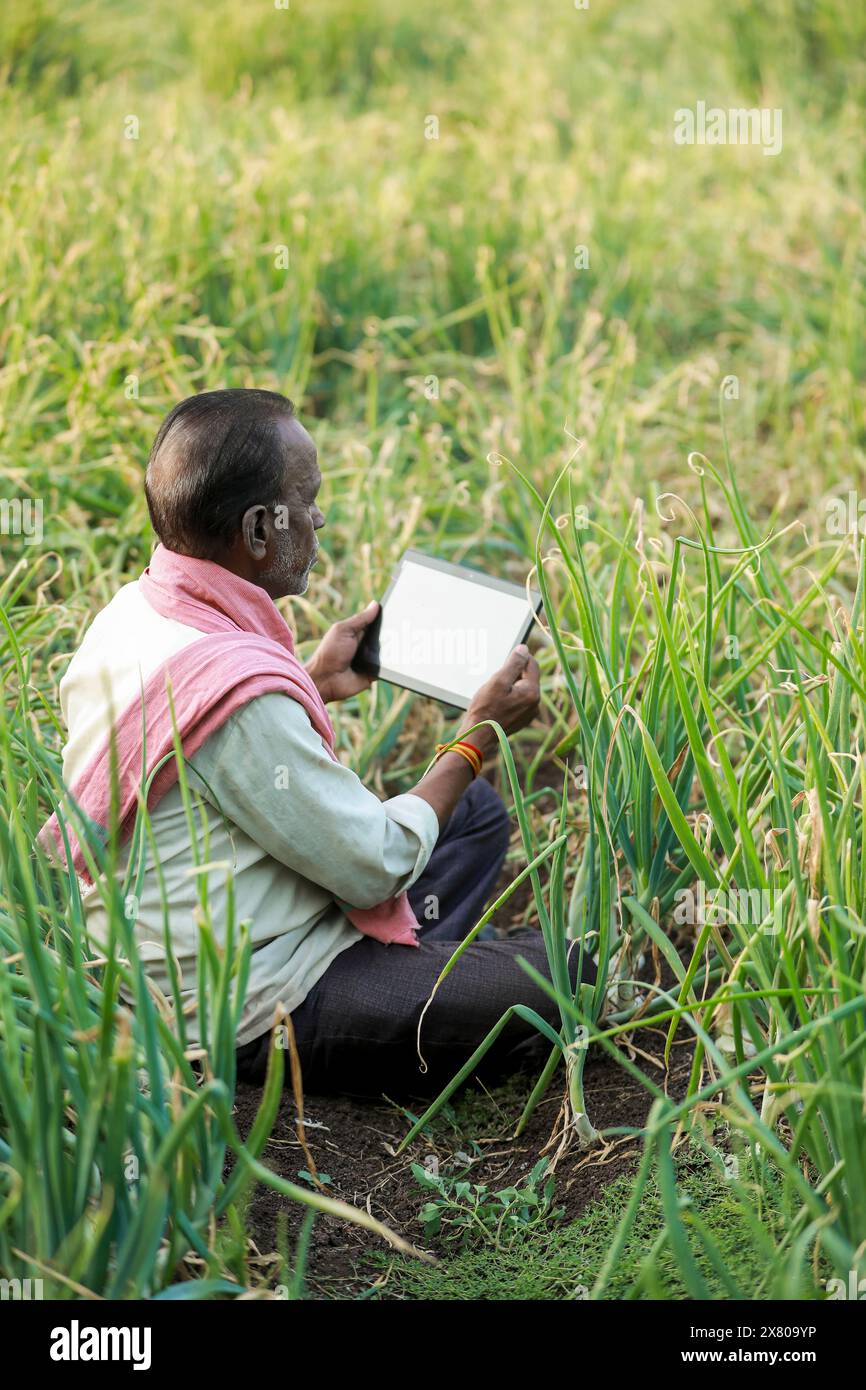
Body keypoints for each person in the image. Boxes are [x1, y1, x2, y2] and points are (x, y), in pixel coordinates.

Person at [53, 388, 594, 1097]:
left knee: (475, 815)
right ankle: (408, 994)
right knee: (567, 977)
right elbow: (373, 864)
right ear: (256, 530)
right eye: (306, 501)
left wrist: (311, 680)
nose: (319, 518)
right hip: (242, 1003)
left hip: (173, 937)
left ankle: (419, 969)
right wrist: (474, 739)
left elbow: (212, 743)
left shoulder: (132, 616)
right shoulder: (244, 705)